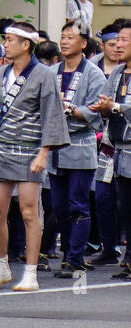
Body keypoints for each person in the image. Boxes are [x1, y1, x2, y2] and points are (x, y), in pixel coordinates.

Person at [0, 22, 70, 291]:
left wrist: (44, 153)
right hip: (1, 148)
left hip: (30, 150)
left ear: (25, 44)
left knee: (29, 211)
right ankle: (2, 266)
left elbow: (52, 114)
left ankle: (30, 272)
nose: (5, 44)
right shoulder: (2, 73)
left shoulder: (43, 75)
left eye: (9, 39)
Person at [47, 22, 105, 278]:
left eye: (71, 37)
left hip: (80, 147)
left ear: (83, 43)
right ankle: (69, 255)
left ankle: (74, 257)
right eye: (62, 36)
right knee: (59, 207)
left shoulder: (93, 74)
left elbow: (95, 112)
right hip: (55, 148)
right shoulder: (52, 72)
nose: (65, 41)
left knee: (78, 205)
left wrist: (68, 108)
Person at [91, 21, 131, 279]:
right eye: (117, 40)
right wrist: (99, 107)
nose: (118, 44)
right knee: (124, 206)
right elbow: (104, 101)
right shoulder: (117, 73)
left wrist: (115, 107)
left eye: (125, 40)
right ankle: (127, 258)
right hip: (119, 150)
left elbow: (116, 106)